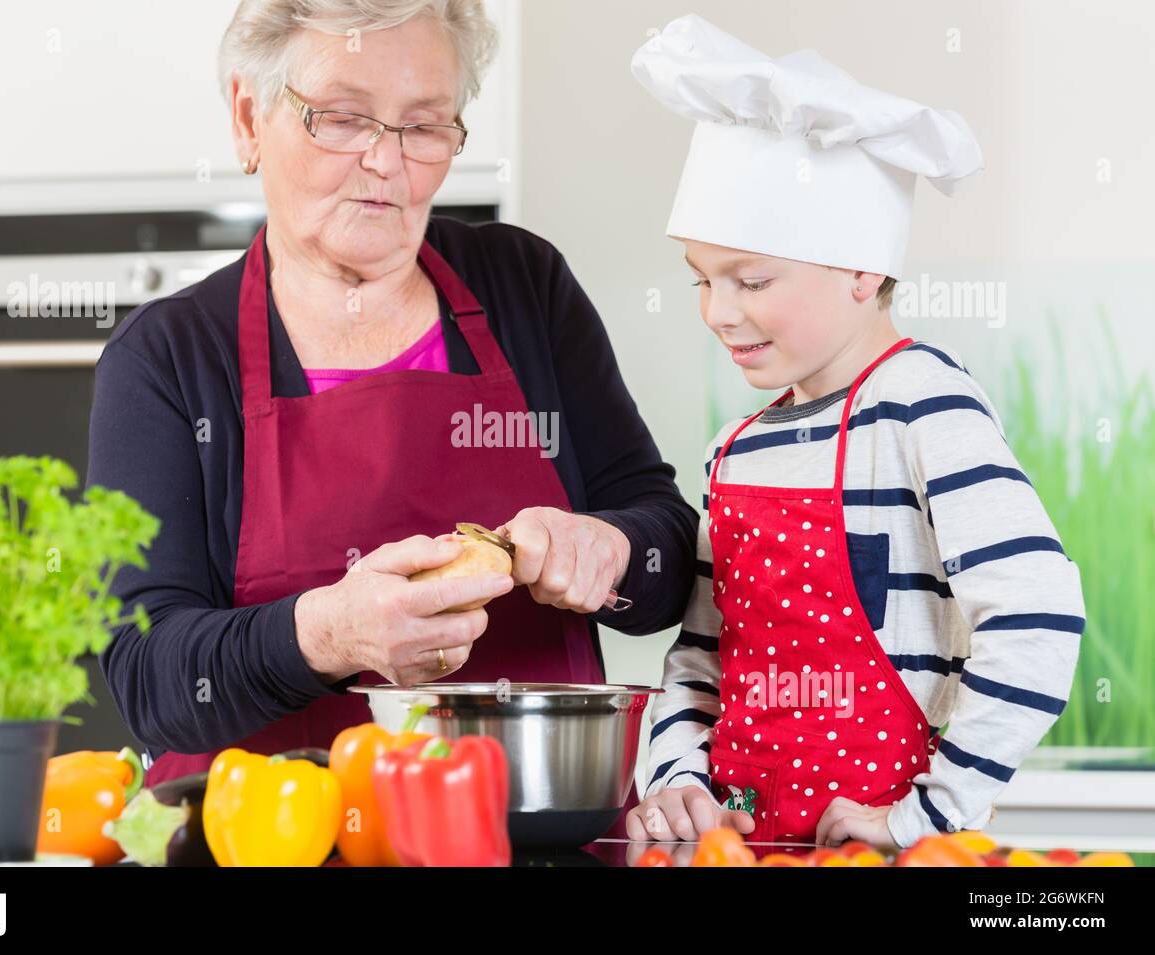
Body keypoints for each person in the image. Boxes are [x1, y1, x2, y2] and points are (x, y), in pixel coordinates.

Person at [86, 0, 697, 802]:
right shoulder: (167, 359)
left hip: (532, 833)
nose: (385, 161)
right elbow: (149, 679)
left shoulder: (525, 288)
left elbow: (669, 549)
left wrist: (610, 550)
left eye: (424, 125)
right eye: (342, 118)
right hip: (270, 846)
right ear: (248, 117)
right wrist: (328, 634)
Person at [626, 15, 1084, 849]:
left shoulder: (921, 406)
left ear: (861, 270)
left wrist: (927, 817)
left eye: (751, 279)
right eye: (701, 279)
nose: (718, 312)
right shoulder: (733, 448)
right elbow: (699, 662)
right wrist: (678, 778)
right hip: (746, 853)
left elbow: (1039, 616)